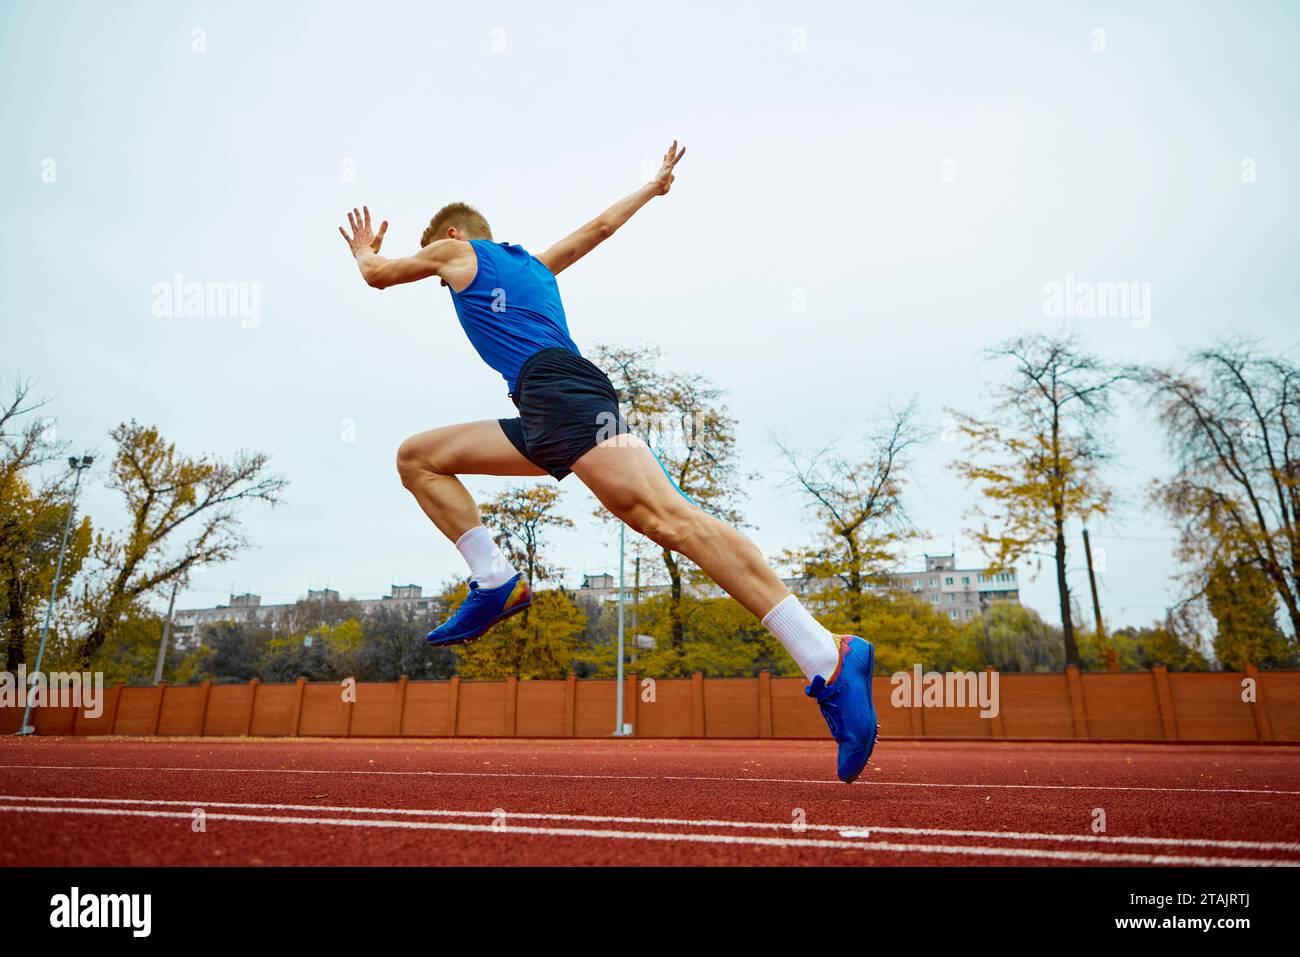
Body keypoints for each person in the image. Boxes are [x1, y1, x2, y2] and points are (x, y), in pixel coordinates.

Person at [338, 142, 877, 782]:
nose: (440, 275)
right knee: (419, 458)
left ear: (452, 237)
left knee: (667, 519)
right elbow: (598, 227)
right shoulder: (534, 266)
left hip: (559, 393)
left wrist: (365, 252)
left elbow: (378, 275)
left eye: (437, 261)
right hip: (544, 408)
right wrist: (651, 188)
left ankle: (827, 655)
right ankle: (494, 580)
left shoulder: (459, 250)